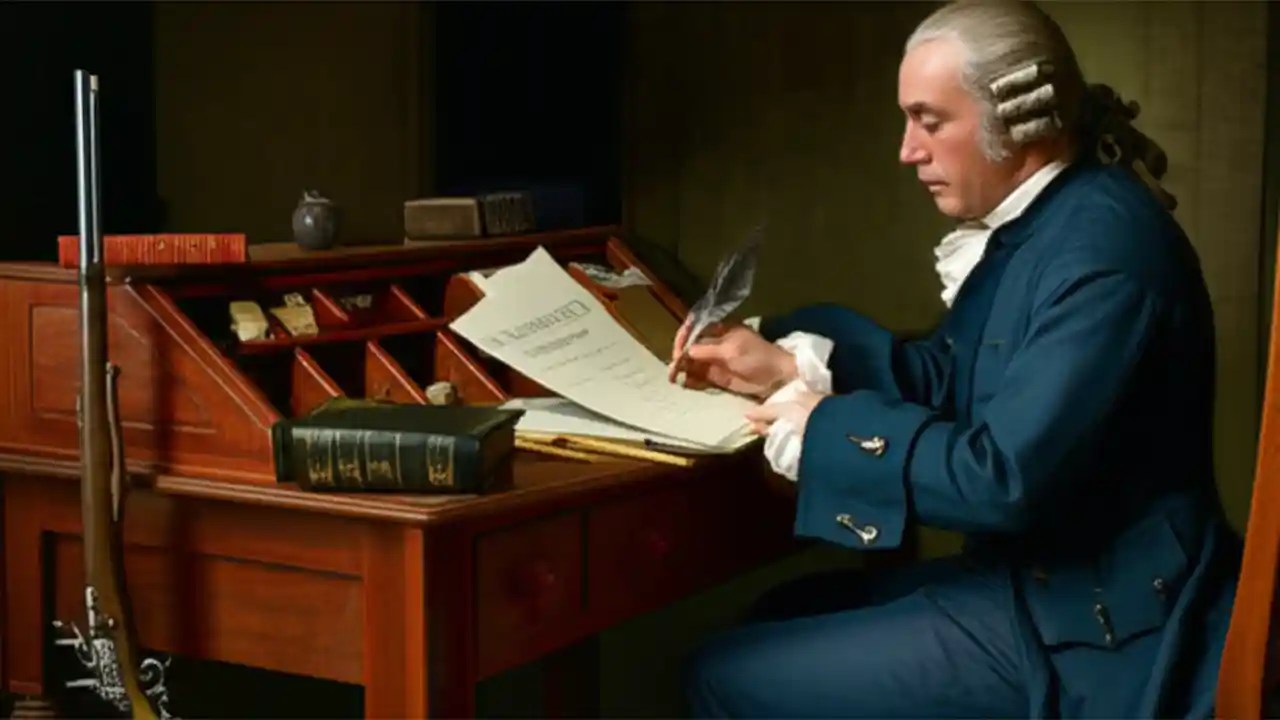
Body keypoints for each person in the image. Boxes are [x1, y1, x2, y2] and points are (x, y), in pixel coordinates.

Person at [671, 1, 1243, 717]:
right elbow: (953, 375)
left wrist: (823, 427)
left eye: (929, 120)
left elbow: (1003, 480)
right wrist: (790, 368)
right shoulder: (1050, 220)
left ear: (1021, 121)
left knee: (720, 674)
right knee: (784, 608)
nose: (908, 149)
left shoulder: (1104, 251)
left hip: (1099, 625)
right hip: (1039, 585)